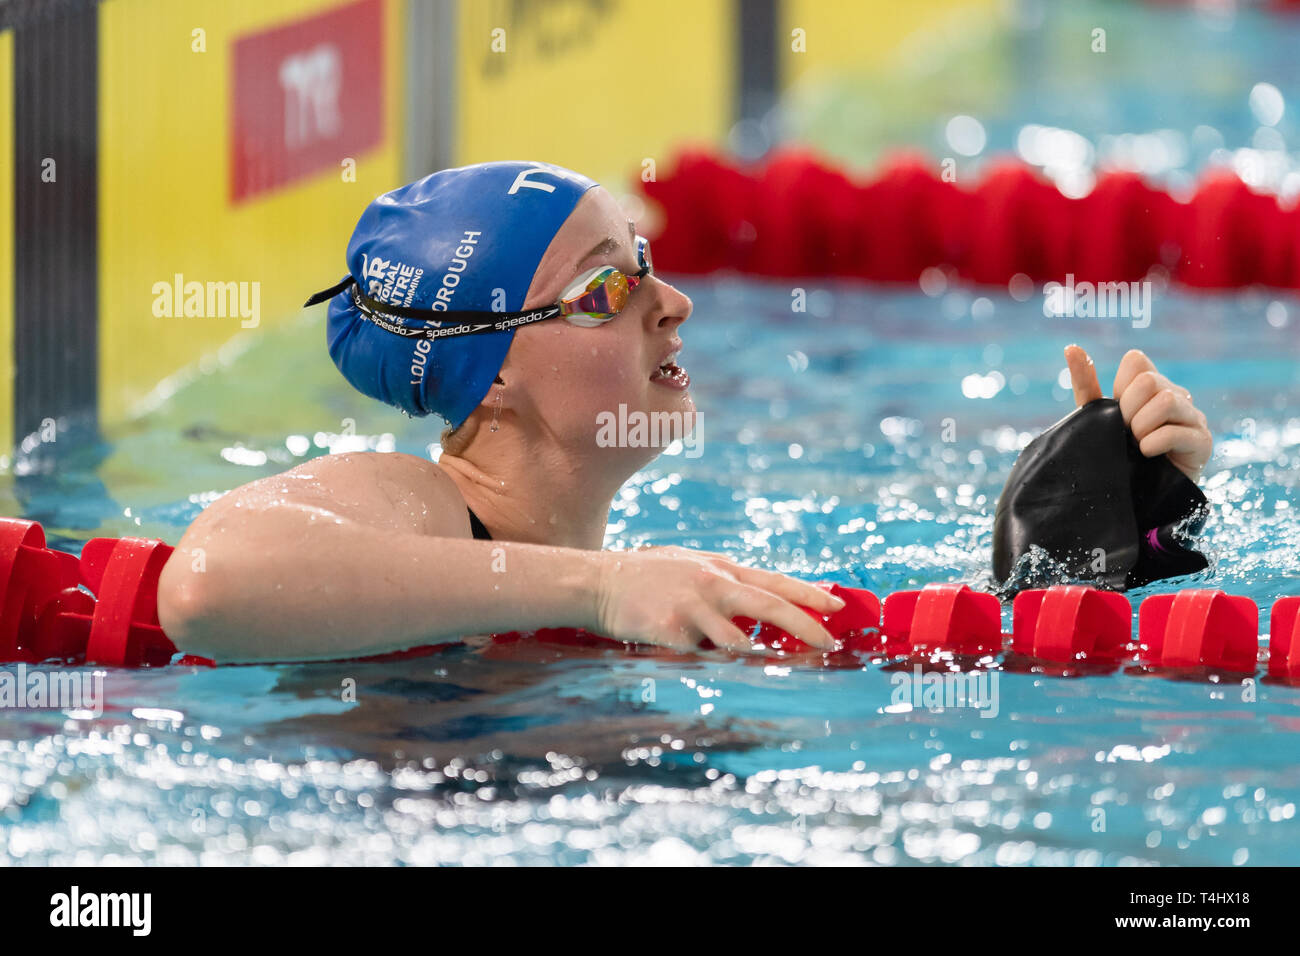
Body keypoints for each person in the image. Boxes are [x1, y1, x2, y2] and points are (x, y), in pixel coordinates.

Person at [156, 161, 1212, 662]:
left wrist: (1109, 559)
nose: (674, 304)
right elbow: (205, 587)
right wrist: (601, 585)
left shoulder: (650, 575)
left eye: (647, 264)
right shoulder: (417, 502)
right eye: (606, 288)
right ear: (493, 372)